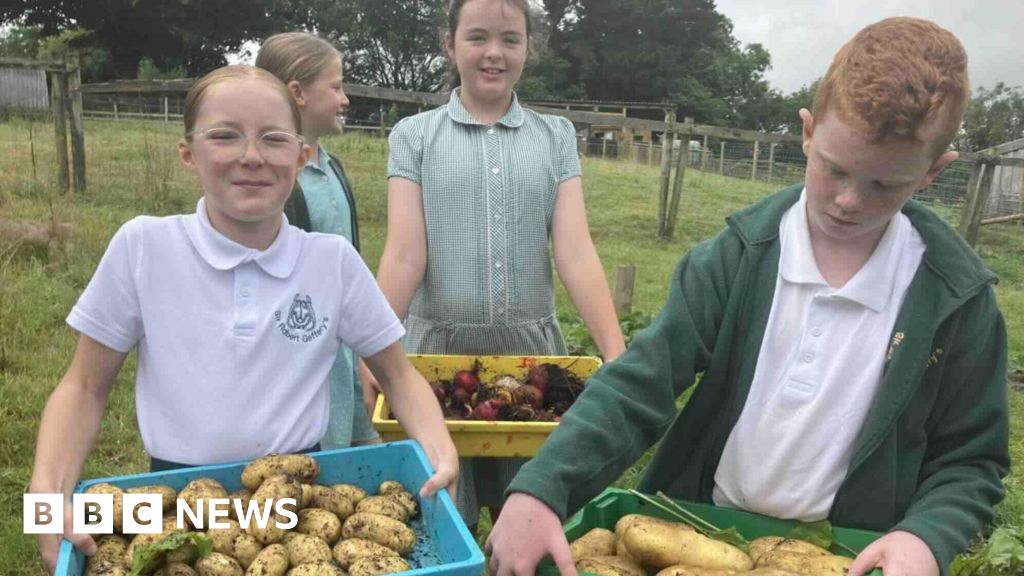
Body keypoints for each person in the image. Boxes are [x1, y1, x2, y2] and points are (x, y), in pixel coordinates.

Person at [486, 17, 1010, 576]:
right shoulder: (735, 260)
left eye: (885, 185)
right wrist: (542, 488)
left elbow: (970, 460)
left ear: (932, 171)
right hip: (699, 535)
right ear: (808, 132)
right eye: (833, 169)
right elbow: (640, 383)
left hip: (846, 558)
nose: (849, 201)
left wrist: (926, 538)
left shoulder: (959, 302)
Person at [27, 65, 458, 573]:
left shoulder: (332, 261)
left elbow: (397, 374)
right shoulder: (144, 247)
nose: (251, 156)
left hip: (299, 501)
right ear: (189, 153)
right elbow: (83, 387)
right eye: (225, 136)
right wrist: (44, 500)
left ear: (300, 156)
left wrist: (440, 449)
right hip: (177, 497)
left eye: (273, 139)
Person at [370, 0, 627, 531]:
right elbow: (404, 253)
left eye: (510, 39)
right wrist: (374, 353)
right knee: (439, 518)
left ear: (529, 48)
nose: (494, 53)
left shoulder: (554, 137)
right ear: (450, 44)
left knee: (535, 519)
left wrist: (616, 352)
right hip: (434, 364)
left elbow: (574, 252)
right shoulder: (414, 136)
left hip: (534, 366)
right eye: (477, 37)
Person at [256, 31, 378, 449]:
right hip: (301, 349)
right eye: (336, 85)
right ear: (298, 94)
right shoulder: (275, 182)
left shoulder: (334, 167)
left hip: (343, 344)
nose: (345, 98)